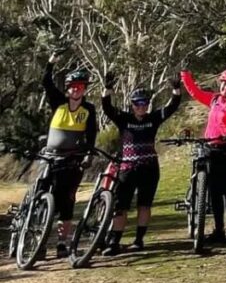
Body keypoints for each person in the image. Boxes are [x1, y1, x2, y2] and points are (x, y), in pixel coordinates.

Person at [99, 78, 182, 254]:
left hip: (149, 168)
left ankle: (139, 240)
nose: (141, 107)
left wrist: (176, 89)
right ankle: (114, 242)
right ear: (132, 105)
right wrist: (107, 89)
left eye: (144, 103)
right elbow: (107, 108)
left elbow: (171, 108)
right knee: (120, 207)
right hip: (127, 169)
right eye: (137, 103)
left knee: (144, 205)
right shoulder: (124, 119)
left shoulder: (153, 119)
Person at [179, 63, 226, 244]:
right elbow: (195, 92)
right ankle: (219, 229)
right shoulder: (214, 100)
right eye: (223, 83)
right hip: (212, 149)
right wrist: (185, 75)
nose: (225, 87)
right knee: (215, 192)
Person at [41, 59, 98, 257]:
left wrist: (89, 153)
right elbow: (46, 82)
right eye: (73, 87)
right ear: (68, 88)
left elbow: (91, 134)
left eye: (80, 87)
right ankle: (35, 238)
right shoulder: (59, 102)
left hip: (72, 159)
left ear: (84, 89)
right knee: (43, 194)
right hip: (51, 157)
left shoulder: (89, 109)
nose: (76, 90)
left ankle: (62, 244)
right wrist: (51, 63)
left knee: (67, 201)